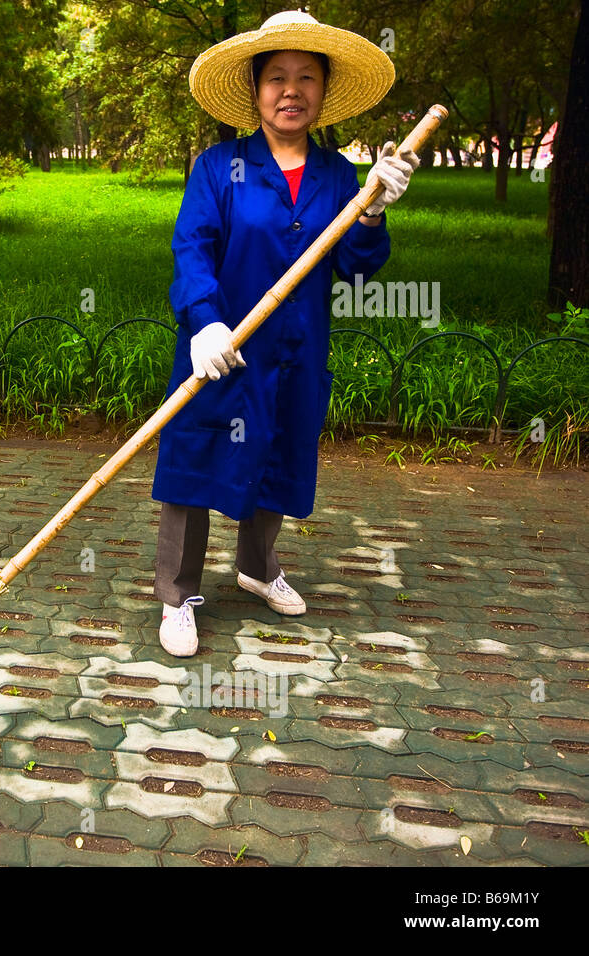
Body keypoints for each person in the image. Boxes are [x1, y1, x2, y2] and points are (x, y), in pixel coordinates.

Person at [152, 10, 419, 657]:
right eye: (277, 77)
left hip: (297, 353)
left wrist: (374, 211)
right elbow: (192, 248)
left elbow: (356, 265)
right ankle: (177, 595)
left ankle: (257, 567)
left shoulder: (336, 177)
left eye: (306, 77)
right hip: (225, 344)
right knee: (194, 462)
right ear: (256, 90)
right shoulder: (219, 167)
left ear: (323, 93)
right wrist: (204, 320)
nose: (291, 89)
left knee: (276, 452)